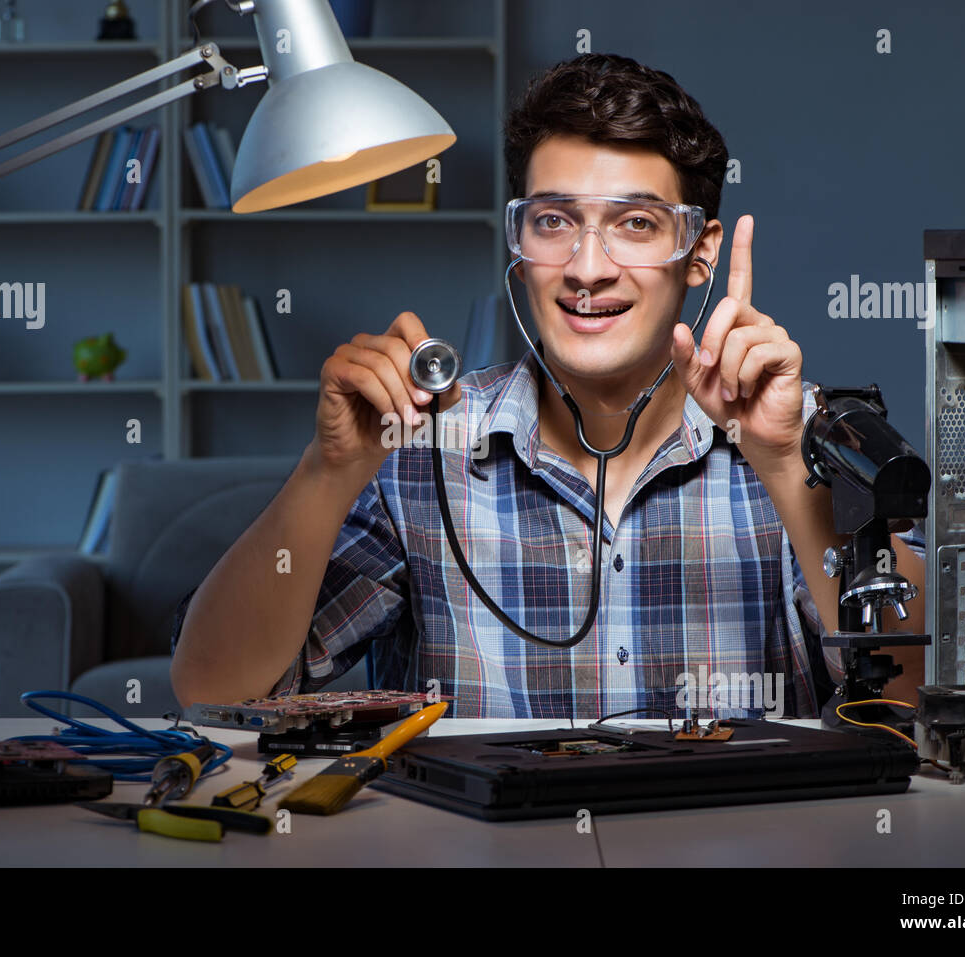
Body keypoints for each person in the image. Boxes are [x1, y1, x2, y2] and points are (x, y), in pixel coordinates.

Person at [169, 53, 926, 719]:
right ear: (518, 241)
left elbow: (915, 700)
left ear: (699, 253)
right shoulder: (421, 448)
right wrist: (327, 471)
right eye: (554, 220)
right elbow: (211, 688)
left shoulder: (802, 438)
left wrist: (787, 469)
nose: (587, 267)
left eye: (634, 223)